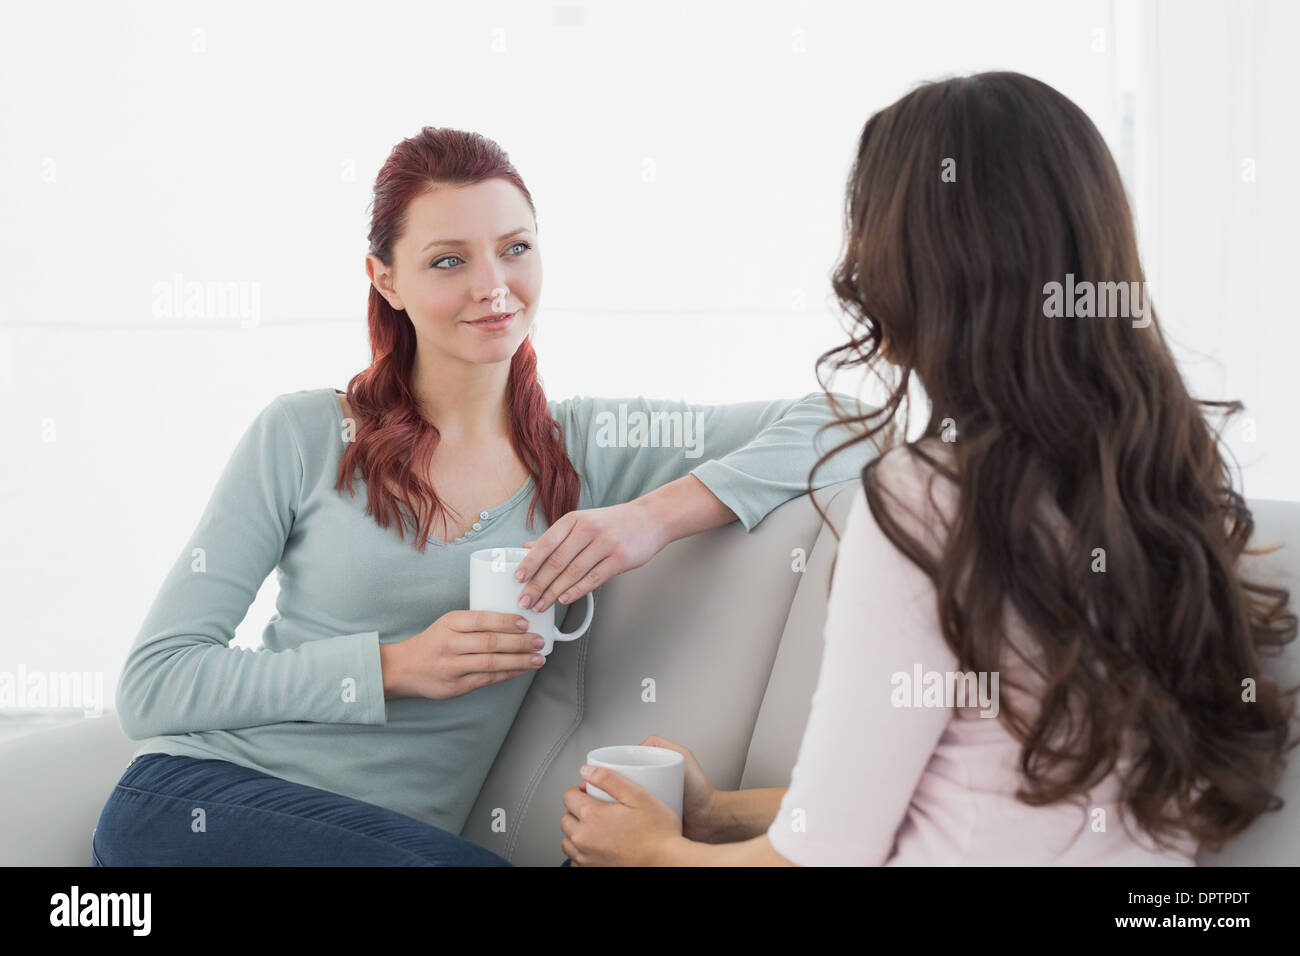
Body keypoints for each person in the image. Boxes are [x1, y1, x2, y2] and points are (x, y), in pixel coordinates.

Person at [558, 72, 1299, 866]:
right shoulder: (1164, 483)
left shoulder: (925, 502)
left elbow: (823, 860)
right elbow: (977, 793)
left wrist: (653, 852)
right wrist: (716, 815)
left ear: (914, 270)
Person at [90, 128, 879, 866]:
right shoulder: (304, 433)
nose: (493, 288)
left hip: (399, 845)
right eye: (448, 261)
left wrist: (649, 519)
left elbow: (853, 421)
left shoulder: (586, 448)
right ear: (385, 279)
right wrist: (393, 666)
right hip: (204, 807)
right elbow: (156, 682)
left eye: (515, 249)